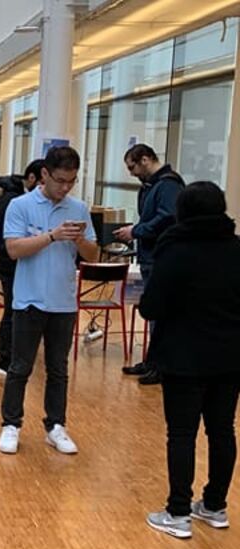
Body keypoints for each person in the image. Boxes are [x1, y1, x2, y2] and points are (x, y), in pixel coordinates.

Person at [140, 182, 240, 539]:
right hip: (231, 358)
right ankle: (215, 506)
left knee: (182, 434)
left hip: (183, 358)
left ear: (184, 211)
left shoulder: (176, 251)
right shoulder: (236, 250)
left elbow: (150, 306)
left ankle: (178, 512)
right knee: (222, 429)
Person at [0, 145, 99, 456]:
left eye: (71, 181)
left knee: (58, 369)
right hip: (28, 300)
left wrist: (80, 240)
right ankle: (11, 424)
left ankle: (56, 425)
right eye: (59, 180)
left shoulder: (79, 208)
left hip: (64, 302)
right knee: (19, 367)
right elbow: (13, 250)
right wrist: (52, 236)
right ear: (44, 174)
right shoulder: (20, 205)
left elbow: (93, 254)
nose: (65, 187)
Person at [114, 143, 185, 386]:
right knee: (154, 314)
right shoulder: (153, 186)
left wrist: (137, 230)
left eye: (132, 166)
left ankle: (160, 365)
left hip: (160, 257)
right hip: (151, 256)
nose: (131, 173)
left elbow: (166, 218)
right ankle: (153, 360)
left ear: (145, 159)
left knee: (160, 315)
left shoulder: (167, 185)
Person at [0, 159, 44, 375]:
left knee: (17, 309)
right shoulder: (15, 202)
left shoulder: (10, 196)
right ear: (31, 178)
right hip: (11, 263)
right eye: (41, 182)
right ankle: (6, 359)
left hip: (19, 261)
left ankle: (17, 355)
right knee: (13, 310)